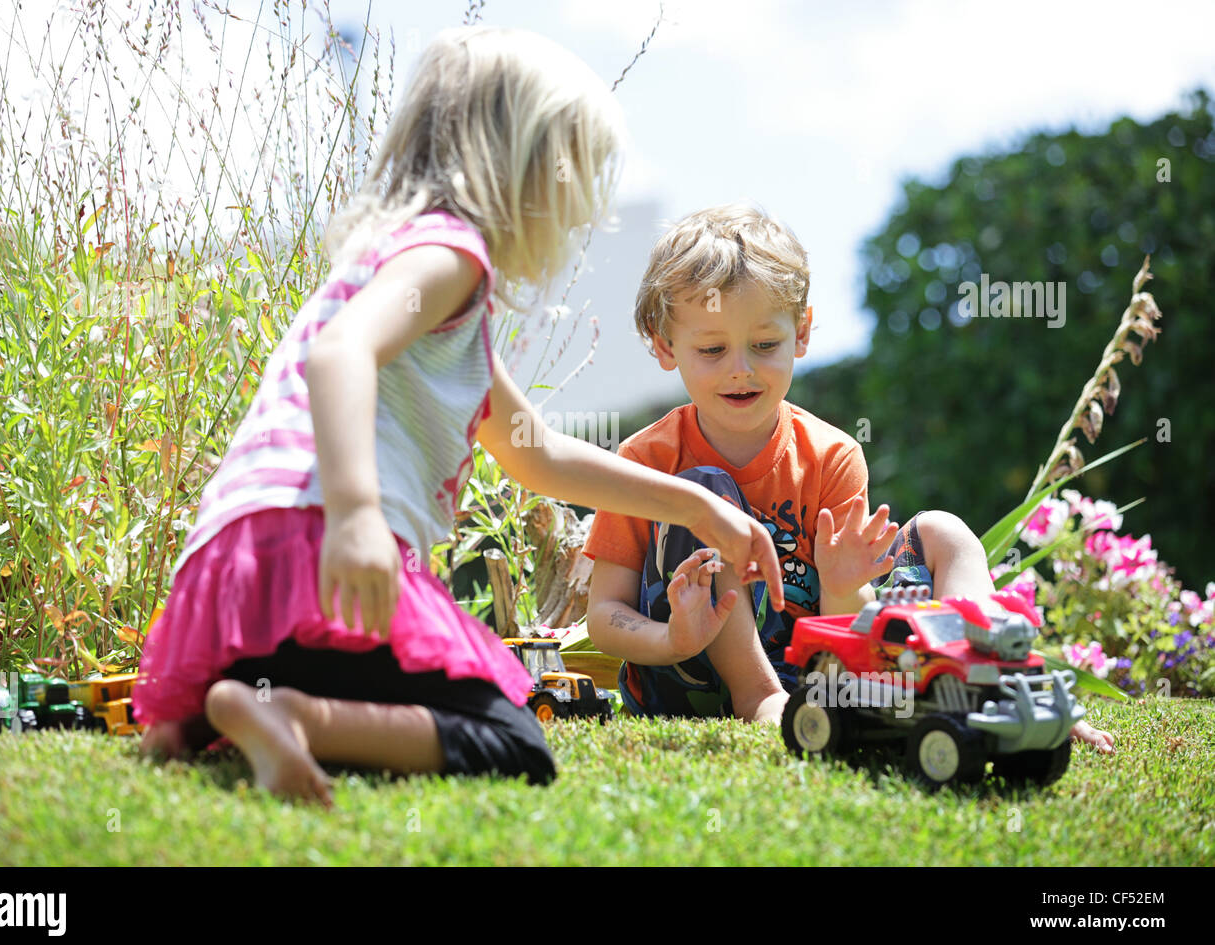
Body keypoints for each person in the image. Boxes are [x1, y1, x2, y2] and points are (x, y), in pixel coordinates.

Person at [131, 29, 789, 806]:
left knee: (345, 679)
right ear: (523, 169)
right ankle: (293, 714)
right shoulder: (448, 256)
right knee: (516, 742)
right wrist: (355, 515)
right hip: (321, 537)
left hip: (242, 553)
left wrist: (696, 503)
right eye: (572, 170)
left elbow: (536, 454)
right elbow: (339, 355)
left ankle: (218, 715)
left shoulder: (404, 271)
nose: (579, 205)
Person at [583, 204, 1115, 753]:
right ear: (666, 345)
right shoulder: (645, 459)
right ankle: (758, 696)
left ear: (802, 332)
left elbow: (846, 629)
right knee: (701, 494)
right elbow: (605, 614)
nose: (740, 367)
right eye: (712, 349)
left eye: (765, 345)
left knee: (945, 532)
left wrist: (840, 585)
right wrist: (672, 637)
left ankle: (985, 677)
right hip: (688, 679)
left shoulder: (833, 455)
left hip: (815, 681)